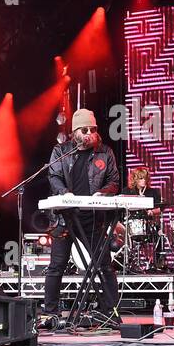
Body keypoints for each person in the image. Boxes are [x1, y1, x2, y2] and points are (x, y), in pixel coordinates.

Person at [42, 109, 121, 322]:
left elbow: (114, 181)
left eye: (93, 129)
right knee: (56, 266)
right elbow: (54, 175)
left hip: (92, 219)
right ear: (75, 131)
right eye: (84, 129)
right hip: (64, 218)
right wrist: (64, 193)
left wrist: (102, 193)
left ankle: (110, 312)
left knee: (104, 265)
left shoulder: (105, 152)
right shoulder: (61, 151)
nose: (89, 133)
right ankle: (50, 313)